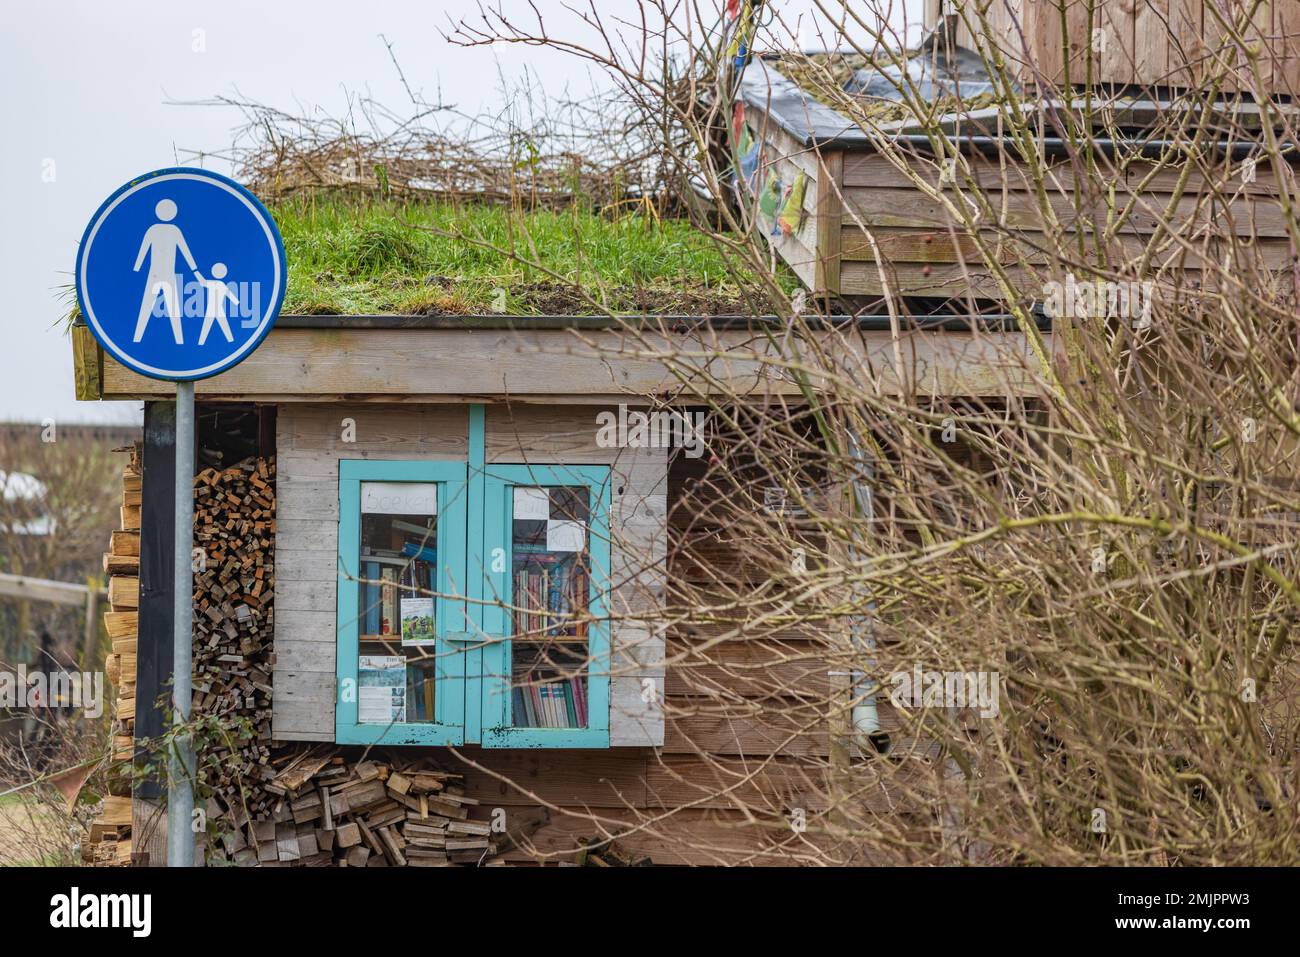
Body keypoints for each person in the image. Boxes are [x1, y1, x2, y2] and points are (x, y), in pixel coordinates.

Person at [131, 198, 199, 344]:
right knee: (156, 306)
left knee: (167, 306)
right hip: (160, 274)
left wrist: (137, 268)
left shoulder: (159, 230)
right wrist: (194, 269)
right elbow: (186, 252)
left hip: (162, 274)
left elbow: (185, 251)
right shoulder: (170, 230)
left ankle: (178, 341)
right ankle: (139, 338)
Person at [197, 263, 239, 346]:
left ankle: (201, 342)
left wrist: (196, 272)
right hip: (215, 309)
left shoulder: (214, 283)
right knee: (217, 325)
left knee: (209, 326)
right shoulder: (219, 284)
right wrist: (237, 302)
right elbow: (230, 295)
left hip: (215, 309)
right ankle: (230, 341)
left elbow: (202, 281)